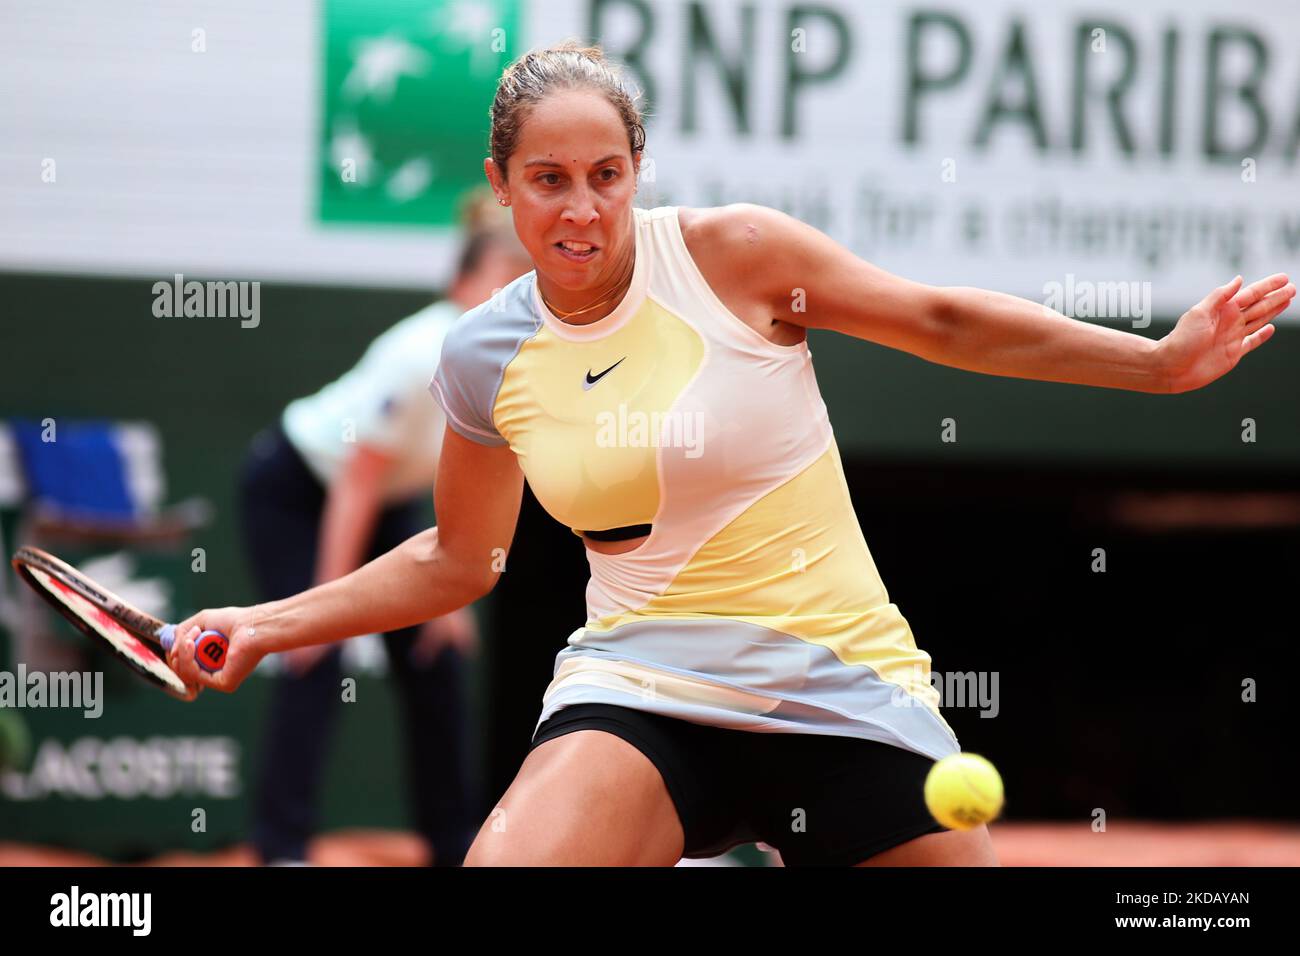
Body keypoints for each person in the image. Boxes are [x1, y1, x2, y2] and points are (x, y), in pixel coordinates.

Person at [169, 42, 1294, 866]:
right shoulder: (479, 355)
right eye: (549, 180)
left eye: (605, 174)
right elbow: (461, 560)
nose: (581, 210)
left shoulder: (738, 257)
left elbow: (943, 319)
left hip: (839, 681)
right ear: (504, 185)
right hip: (641, 686)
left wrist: (1154, 364)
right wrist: (266, 625)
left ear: (638, 169)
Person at [237, 196, 532, 866]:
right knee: (313, 652)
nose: (518, 288)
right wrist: (325, 603)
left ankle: (453, 845)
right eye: (506, 272)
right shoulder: (423, 348)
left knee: (438, 654)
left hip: (389, 502)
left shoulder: (505, 363)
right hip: (297, 490)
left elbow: (448, 481)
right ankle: (281, 847)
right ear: (466, 279)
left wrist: (445, 598)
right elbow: (358, 475)